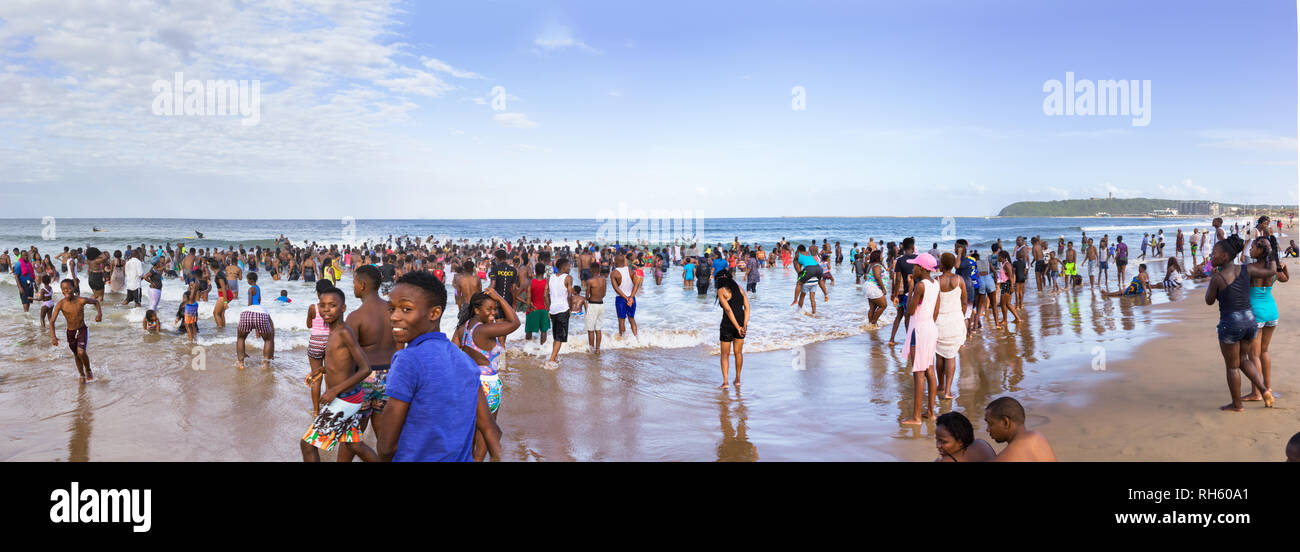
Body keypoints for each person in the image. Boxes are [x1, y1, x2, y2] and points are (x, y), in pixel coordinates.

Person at [378, 271, 503, 462]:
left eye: (406, 309)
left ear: (435, 313)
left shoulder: (407, 360)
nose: (394, 316)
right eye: (391, 309)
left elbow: (386, 446)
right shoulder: (465, 361)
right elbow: (491, 429)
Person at [299, 287, 378, 462]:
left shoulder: (344, 332)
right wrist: (322, 369)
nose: (326, 309)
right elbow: (341, 362)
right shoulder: (333, 331)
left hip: (344, 399)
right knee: (354, 445)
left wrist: (334, 391)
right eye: (322, 305)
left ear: (343, 308)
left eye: (332, 305)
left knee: (307, 445)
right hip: (348, 397)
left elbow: (365, 368)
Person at [1204, 236, 1274, 412]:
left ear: (1225, 256)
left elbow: (1209, 300)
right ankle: (1265, 391)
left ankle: (1237, 404)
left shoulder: (1218, 278)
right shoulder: (1246, 269)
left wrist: (1211, 280)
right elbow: (1270, 272)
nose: (1211, 256)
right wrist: (1272, 257)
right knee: (1243, 359)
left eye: (1214, 253)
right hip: (1250, 320)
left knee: (1232, 366)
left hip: (1231, 323)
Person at [341, 265, 399, 463]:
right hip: (390, 375)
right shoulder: (393, 311)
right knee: (384, 434)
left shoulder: (356, 317)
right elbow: (401, 345)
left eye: (355, 282)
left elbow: (348, 357)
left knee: (351, 435)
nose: (353, 286)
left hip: (364, 377)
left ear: (363, 285)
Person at [453, 288, 519, 461]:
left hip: (469, 385)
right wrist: (500, 298)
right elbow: (515, 323)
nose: (494, 312)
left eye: (495, 308)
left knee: (472, 436)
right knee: (485, 438)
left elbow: (452, 358)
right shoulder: (484, 330)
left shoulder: (463, 329)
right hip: (488, 387)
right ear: (476, 310)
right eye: (489, 308)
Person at [1244, 236, 1288, 403]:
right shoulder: (1273, 269)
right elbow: (1285, 278)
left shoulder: (1250, 268)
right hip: (1272, 311)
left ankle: (1256, 392)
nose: (1249, 249)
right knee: (1264, 351)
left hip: (1255, 312)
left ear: (1260, 251)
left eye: (1253, 247)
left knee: (1253, 355)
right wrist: (1285, 268)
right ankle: (1267, 387)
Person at [901, 253, 939, 425]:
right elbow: (935, 310)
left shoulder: (920, 286)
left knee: (918, 373)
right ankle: (931, 412)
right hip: (930, 327)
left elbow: (909, 310)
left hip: (920, 330)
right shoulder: (935, 284)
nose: (912, 268)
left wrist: (910, 287)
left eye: (915, 266)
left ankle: (916, 417)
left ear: (922, 268)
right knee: (929, 370)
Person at [49, 279, 102, 384]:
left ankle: (88, 370)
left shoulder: (80, 300)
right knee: (76, 355)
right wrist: (53, 337)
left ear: (73, 288)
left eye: (69, 288)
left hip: (81, 329)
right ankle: (81, 374)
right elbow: (52, 321)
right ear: (61, 291)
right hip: (70, 333)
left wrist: (99, 314)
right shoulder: (61, 304)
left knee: (81, 352)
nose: (67, 291)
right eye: (64, 289)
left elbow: (96, 302)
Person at [934, 253, 968, 401]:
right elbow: (965, 302)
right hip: (955, 320)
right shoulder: (959, 280)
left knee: (939, 356)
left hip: (939, 322)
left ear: (941, 265)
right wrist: (960, 316)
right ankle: (947, 390)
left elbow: (932, 304)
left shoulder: (936, 281)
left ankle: (940, 385)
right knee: (951, 356)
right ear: (954, 264)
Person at [984, 396, 1057, 461]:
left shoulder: (1008, 457)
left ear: (1006, 422)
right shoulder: (1038, 436)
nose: (987, 429)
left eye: (990, 423)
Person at [715, 269, 750, 389]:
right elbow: (747, 307)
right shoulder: (740, 288)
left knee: (725, 355)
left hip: (728, 325)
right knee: (738, 353)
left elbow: (728, 310)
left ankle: (725, 382)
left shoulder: (721, 291)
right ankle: (738, 379)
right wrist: (743, 326)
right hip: (741, 322)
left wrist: (737, 327)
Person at [305, 280, 335, 416]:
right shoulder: (335, 307)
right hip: (331, 342)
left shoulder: (313, 308)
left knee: (316, 377)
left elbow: (309, 325)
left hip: (316, 342)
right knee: (330, 377)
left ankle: (316, 411)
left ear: (317, 293)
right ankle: (329, 409)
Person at [235, 271, 274, 370]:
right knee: (268, 339)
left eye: (247, 279)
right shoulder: (258, 288)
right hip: (260, 313)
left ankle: (240, 363)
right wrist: (258, 328)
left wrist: (250, 310)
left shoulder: (250, 289)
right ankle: (265, 364)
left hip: (248, 313)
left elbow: (250, 303)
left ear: (250, 280)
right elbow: (259, 300)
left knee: (241, 338)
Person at [545, 258, 574, 369]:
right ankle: (551, 360)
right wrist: (570, 309)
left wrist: (548, 309)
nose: (569, 268)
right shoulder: (568, 278)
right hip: (563, 309)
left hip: (553, 309)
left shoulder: (550, 277)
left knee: (556, 335)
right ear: (563, 266)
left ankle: (554, 357)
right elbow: (570, 296)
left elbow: (545, 294)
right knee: (559, 337)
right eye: (568, 266)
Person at [888, 238, 917, 344]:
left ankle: (892, 339)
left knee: (900, 315)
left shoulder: (900, 260)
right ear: (913, 248)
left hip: (903, 294)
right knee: (909, 317)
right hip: (916, 292)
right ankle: (910, 341)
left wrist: (895, 295)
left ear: (903, 248)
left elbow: (897, 280)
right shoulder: (918, 259)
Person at [611, 254, 641, 338]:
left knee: (621, 321)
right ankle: (636, 338)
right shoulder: (631, 270)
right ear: (623, 261)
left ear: (615, 262)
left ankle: (623, 341)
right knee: (632, 319)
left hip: (621, 299)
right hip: (631, 298)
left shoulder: (614, 273)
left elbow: (616, 289)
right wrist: (631, 297)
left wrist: (626, 298)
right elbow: (636, 284)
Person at [523, 262, 551, 345]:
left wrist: (529, 306)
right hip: (544, 309)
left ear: (535, 271)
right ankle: (542, 349)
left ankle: (528, 349)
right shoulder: (547, 283)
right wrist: (548, 309)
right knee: (544, 331)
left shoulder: (531, 282)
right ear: (544, 271)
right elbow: (547, 296)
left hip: (533, 309)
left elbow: (528, 297)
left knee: (529, 331)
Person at [585, 265, 607, 352]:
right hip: (601, 304)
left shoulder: (590, 281)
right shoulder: (603, 280)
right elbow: (604, 294)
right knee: (598, 329)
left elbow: (587, 296)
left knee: (590, 329)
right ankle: (597, 349)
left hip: (593, 305)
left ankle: (591, 349)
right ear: (599, 270)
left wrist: (589, 298)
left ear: (591, 270)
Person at [864, 249, 889, 328]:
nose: (882, 257)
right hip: (874, 287)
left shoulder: (871, 264)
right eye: (881, 256)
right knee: (883, 305)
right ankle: (874, 323)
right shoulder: (876, 266)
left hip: (868, 286)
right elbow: (877, 277)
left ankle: (870, 324)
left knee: (872, 307)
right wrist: (883, 289)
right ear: (877, 257)